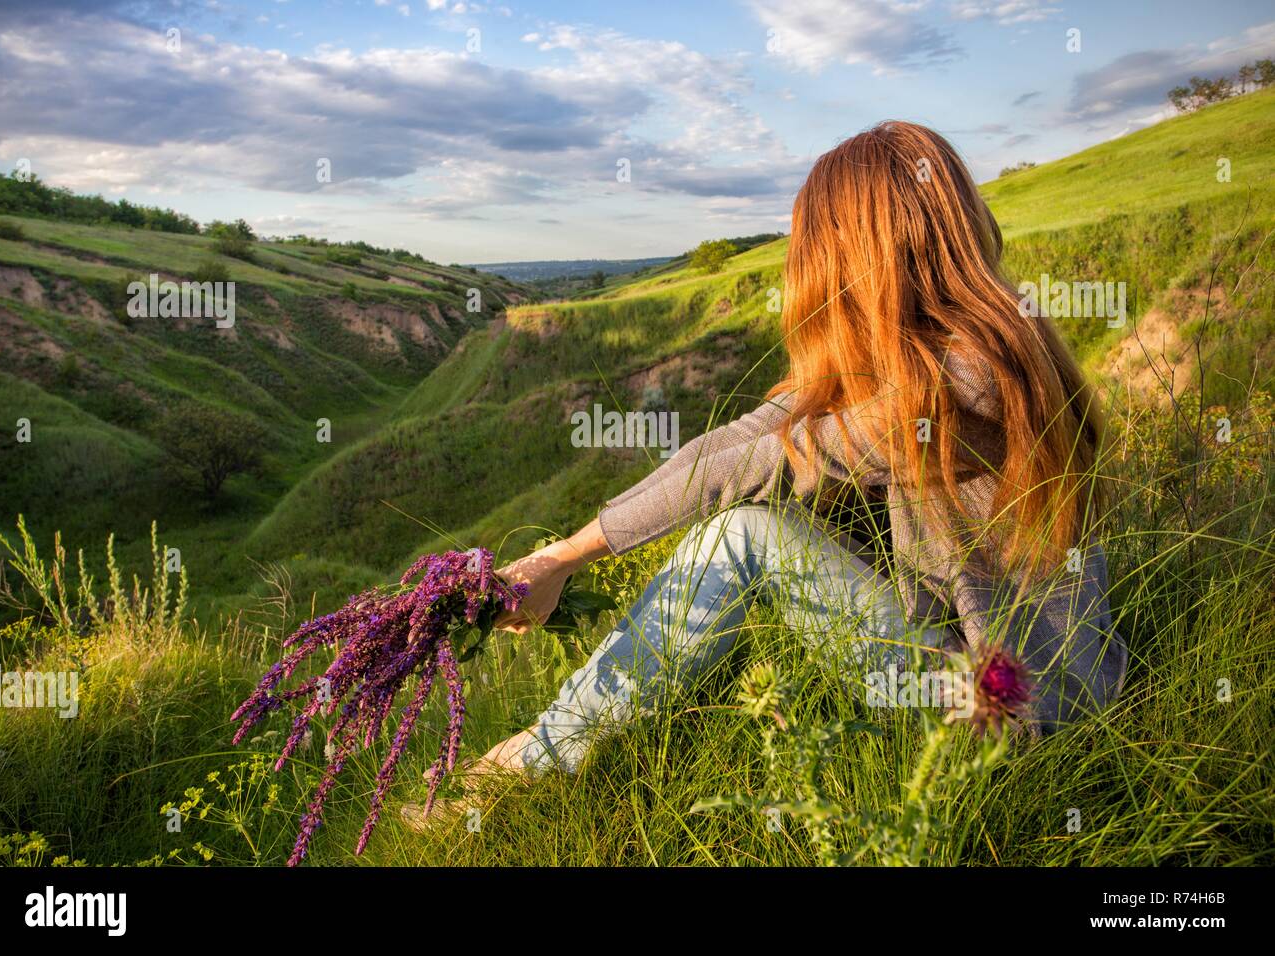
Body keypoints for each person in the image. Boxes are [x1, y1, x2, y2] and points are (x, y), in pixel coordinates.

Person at [441, 120, 1128, 791]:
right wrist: (558, 555)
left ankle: (538, 758)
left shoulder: (963, 382)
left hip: (1011, 716)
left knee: (744, 535)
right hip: (1022, 680)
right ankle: (548, 743)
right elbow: (736, 439)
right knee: (751, 515)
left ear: (859, 256)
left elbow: (754, 468)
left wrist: (563, 558)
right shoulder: (963, 348)